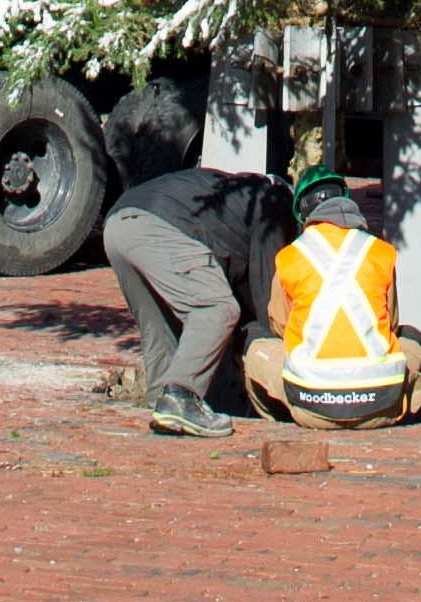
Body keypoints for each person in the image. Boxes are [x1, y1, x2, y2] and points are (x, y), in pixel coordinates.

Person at [100, 136, 296, 438]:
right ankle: (181, 396)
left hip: (118, 225)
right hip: (160, 226)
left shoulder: (227, 191)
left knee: (163, 330)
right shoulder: (273, 203)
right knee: (216, 308)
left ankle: (161, 406)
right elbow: (266, 296)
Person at [244, 165, 421, 427]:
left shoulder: (289, 257)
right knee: (412, 341)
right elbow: (391, 323)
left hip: (311, 406)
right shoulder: (381, 252)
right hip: (381, 405)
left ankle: (281, 421)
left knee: (257, 347)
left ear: (302, 214)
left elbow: (280, 326)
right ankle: (407, 418)